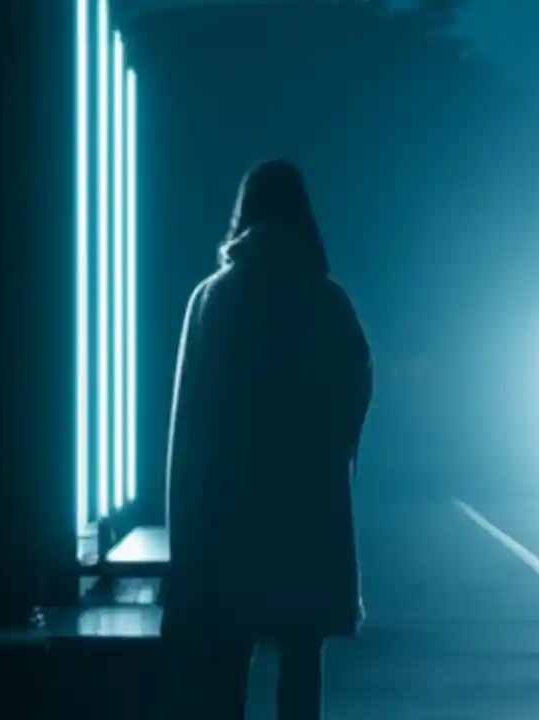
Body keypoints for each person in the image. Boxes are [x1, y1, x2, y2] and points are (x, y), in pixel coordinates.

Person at [162, 159, 373, 719]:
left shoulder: (211, 301)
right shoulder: (327, 301)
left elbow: (188, 427)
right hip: (305, 509)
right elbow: (354, 399)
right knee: (301, 661)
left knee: (226, 663)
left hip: (227, 511)